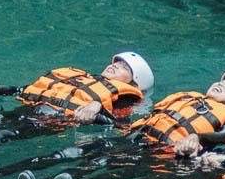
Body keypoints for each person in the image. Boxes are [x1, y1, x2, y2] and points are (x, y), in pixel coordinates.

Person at [131, 70, 225, 156]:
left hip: (164, 152)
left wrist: (198, 137)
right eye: (222, 82)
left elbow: (224, 136)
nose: (221, 84)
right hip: (136, 136)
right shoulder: (190, 97)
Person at [18, 51, 153, 125]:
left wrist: (98, 106)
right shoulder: (83, 78)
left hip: (52, 121)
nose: (115, 65)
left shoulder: (125, 99)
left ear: (134, 84)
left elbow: (120, 123)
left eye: (124, 67)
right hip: (32, 108)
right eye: (116, 62)